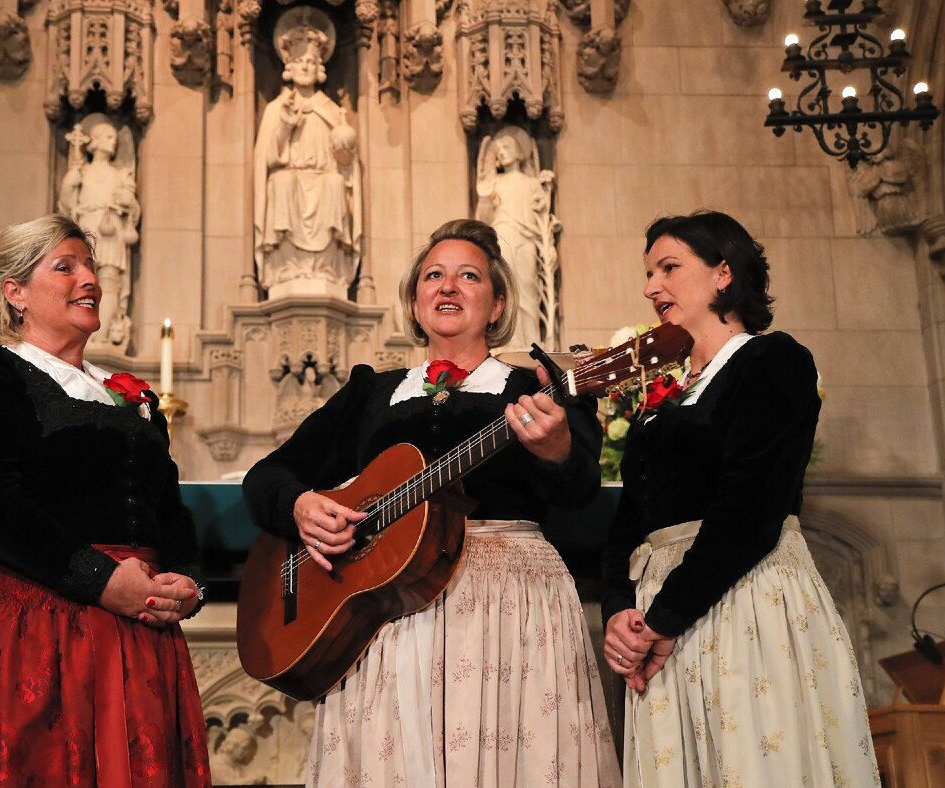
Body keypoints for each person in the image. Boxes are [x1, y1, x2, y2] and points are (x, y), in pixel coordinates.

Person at [243, 218, 621, 787]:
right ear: (415, 304)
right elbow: (269, 475)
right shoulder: (373, 392)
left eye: (469, 277)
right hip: (384, 611)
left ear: (496, 306)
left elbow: (579, 492)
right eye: (433, 276)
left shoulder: (534, 388)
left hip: (506, 602)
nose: (448, 287)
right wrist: (300, 506)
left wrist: (558, 448)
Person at [0, 215, 210, 786]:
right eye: (65, 267)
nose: (89, 278)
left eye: (89, 266)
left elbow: (170, 508)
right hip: (28, 624)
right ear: (14, 292)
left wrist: (186, 582)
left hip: (138, 628)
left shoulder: (126, 394)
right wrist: (100, 580)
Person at [600, 210, 879, 786]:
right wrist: (619, 616)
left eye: (669, 268)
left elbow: (751, 506)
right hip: (659, 619)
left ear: (723, 273)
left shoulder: (771, 362)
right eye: (649, 273)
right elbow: (630, 521)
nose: (652, 287)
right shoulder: (662, 398)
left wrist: (666, 616)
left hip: (741, 600)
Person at [253, 6, 361, 296]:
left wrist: (344, 149)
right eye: (299, 60)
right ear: (288, 64)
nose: (304, 66)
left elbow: (346, 168)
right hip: (291, 177)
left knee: (334, 184)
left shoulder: (331, 110)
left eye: (310, 61)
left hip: (323, 178)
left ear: (320, 67)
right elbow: (268, 159)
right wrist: (286, 126)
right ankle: (286, 270)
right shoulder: (278, 108)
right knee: (283, 181)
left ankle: (327, 269)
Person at [476, 125, 560, 351]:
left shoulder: (532, 183)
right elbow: (482, 219)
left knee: (528, 286)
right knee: (506, 284)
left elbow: (542, 215)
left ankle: (531, 340)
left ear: (520, 150)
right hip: (503, 234)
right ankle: (509, 339)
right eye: (499, 149)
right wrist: (484, 197)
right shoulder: (496, 183)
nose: (502, 152)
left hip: (527, 238)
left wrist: (545, 187)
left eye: (507, 146)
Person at [58, 118, 140, 346]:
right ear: (94, 141)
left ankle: (102, 335)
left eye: (115, 137)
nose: (113, 142)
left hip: (111, 229)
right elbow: (66, 206)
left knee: (109, 279)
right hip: (86, 227)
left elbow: (133, 207)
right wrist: (68, 184)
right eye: (109, 137)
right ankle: (80, 331)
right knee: (81, 279)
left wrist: (128, 201)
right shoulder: (81, 171)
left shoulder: (121, 174)